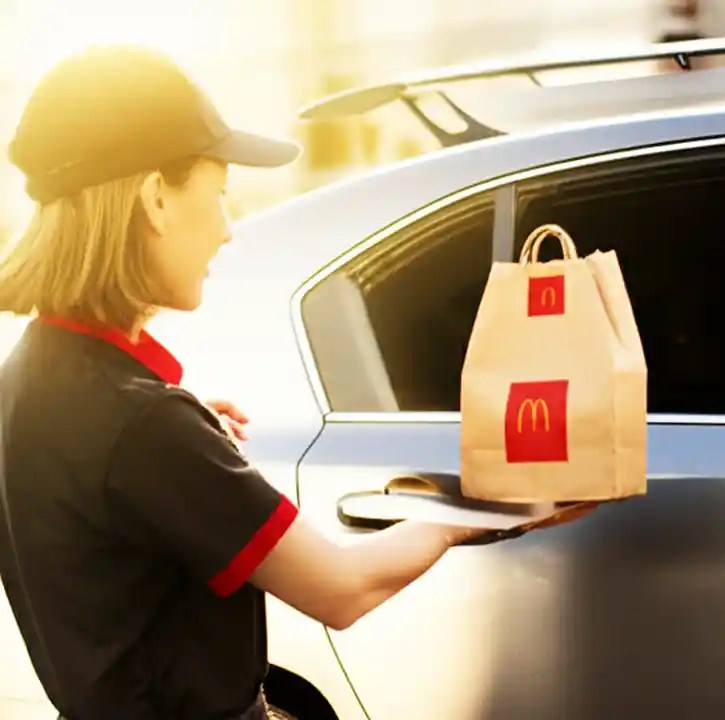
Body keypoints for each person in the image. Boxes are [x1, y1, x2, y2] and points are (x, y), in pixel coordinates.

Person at [0, 46, 588, 720]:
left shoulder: (31, 380)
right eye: (218, 195)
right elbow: (341, 589)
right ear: (156, 198)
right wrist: (479, 515)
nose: (226, 231)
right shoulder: (143, 427)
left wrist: (185, 443)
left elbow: (99, 514)